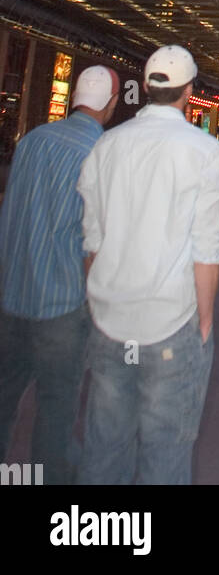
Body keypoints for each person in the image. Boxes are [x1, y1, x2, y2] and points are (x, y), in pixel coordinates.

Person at [77, 46, 219, 485]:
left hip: (109, 320)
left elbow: (93, 241)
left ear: (144, 87)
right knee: (166, 450)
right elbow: (207, 249)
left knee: (104, 447)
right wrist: (203, 321)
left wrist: (100, 302)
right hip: (172, 321)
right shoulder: (205, 152)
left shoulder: (106, 146)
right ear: (189, 93)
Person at [0, 66, 119, 484]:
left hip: (11, 296)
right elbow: (96, 242)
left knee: (3, 400)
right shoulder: (101, 155)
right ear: (110, 104)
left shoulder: (32, 141)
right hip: (64, 305)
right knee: (56, 410)